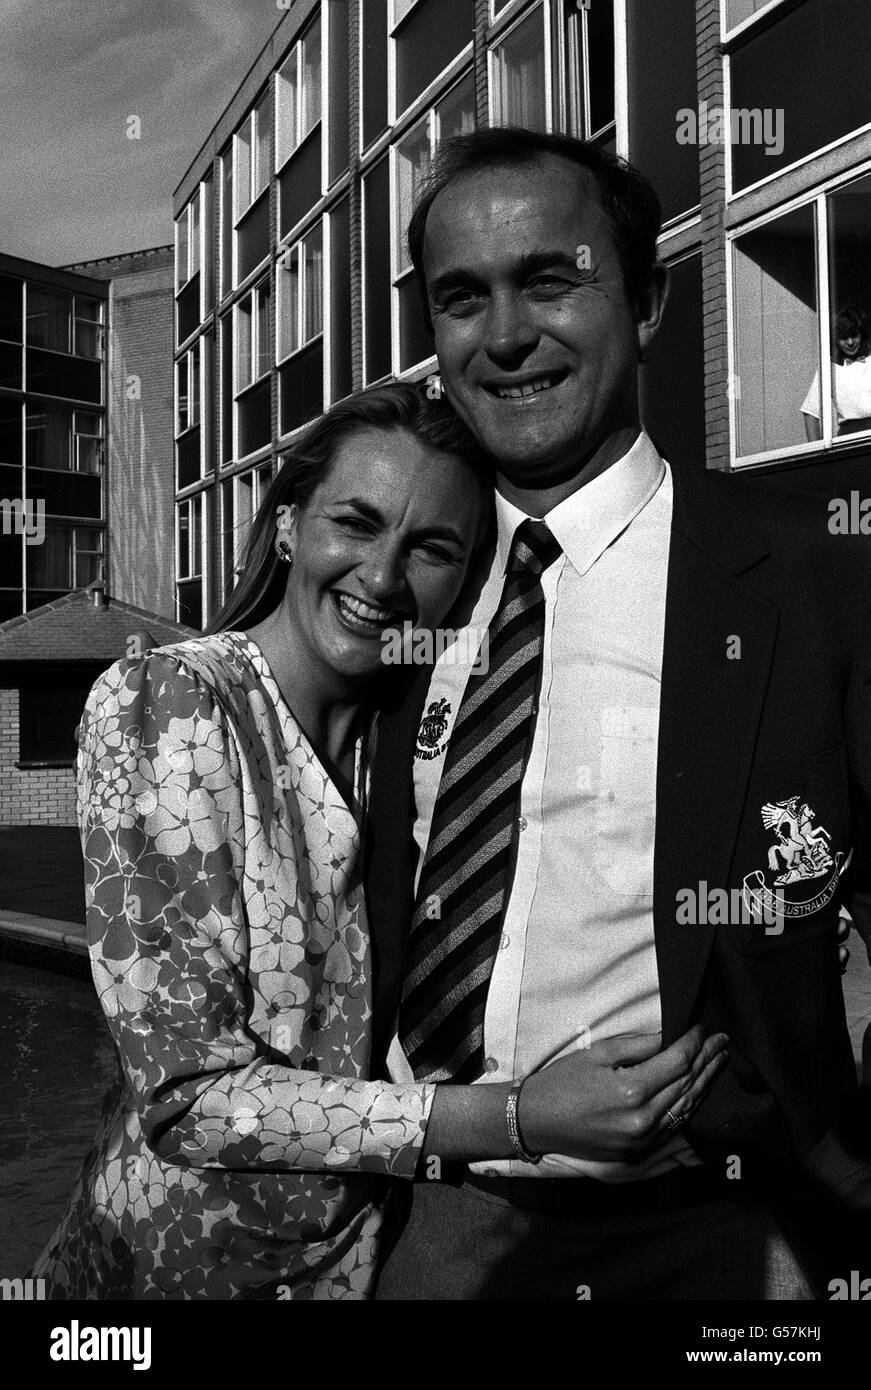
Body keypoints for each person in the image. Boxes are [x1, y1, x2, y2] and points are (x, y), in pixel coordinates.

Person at [29, 382, 726, 1301]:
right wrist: (514, 1118)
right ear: (286, 527)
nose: (384, 578)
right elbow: (185, 1099)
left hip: (365, 1267)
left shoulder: (407, 739)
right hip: (173, 1274)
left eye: (432, 549)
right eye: (354, 524)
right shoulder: (171, 706)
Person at [367, 128, 871, 1301]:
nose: (503, 335)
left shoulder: (812, 578)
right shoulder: (397, 592)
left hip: (719, 1231)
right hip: (426, 1226)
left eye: (550, 279)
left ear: (644, 301)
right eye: (461, 299)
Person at [801, 306, 871, 440]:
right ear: (835, 340)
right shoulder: (830, 369)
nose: (850, 342)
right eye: (844, 338)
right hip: (850, 437)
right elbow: (810, 412)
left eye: (854, 335)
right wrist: (818, 454)